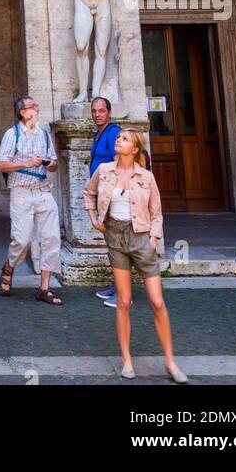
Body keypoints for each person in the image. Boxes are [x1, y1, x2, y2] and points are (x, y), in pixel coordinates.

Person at [85, 128, 187, 384]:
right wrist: (94, 219)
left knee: (157, 302)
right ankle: (127, 360)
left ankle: (170, 361)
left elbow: (157, 212)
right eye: (119, 138)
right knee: (123, 301)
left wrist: (152, 240)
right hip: (115, 238)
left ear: (135, 149)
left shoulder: (146, 177)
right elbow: (89, 193)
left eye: (125, 139)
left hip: (141, 238)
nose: (119, 140)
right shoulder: (104, 171)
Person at [0, 95, 63, 305]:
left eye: (36, 105)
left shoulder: (44, 135)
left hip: (43, 191)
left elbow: (54, 164)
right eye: (32, 106)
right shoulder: (11, 134)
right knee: (21, 239)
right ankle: (9, 266)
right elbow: (0, 165)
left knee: (51, 238)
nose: (37, 109)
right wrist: (26, 164)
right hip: (21, 192)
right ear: (23, 113)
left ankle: (44, 288)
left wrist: (48, 164)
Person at [89, 96, 123, 308]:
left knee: (119, 244)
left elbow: (119, 162)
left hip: (112, 195)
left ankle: (122, 293)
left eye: (101, 111)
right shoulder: (98, 133)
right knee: (112, 243)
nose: (97, 114)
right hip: (102, 193)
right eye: (94, 111)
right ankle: (116, 285)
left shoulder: (113, 132)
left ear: (109, 112)